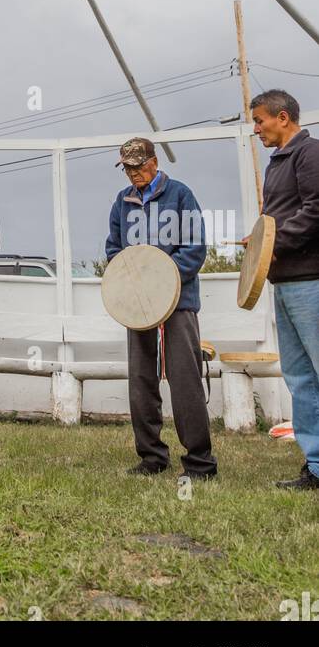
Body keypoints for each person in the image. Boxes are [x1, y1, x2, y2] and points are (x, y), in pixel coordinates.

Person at [105, 136, 216, 479]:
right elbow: (114, 251)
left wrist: (161, 284)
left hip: (177, 303)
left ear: (154, 162)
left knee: (184, 379)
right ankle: (152, 457)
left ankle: (199, 462)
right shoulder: (121, 203)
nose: (134, 174)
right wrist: (130, 284)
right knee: (141, 380)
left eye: (138, 166)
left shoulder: (180, 195)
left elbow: (194, 248)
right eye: (127, 168)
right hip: (137, 308)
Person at [250, 90, 319, 492]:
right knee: (300, 378)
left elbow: (316, 209)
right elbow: (276, 221)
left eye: (260, 121)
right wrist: (258, 241)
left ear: (282, 117)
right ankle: (315, 466)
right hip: (285, 281)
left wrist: (272, 243)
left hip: (311, 279)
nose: (256, 129)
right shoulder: (278, 162)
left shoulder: (309, 153)